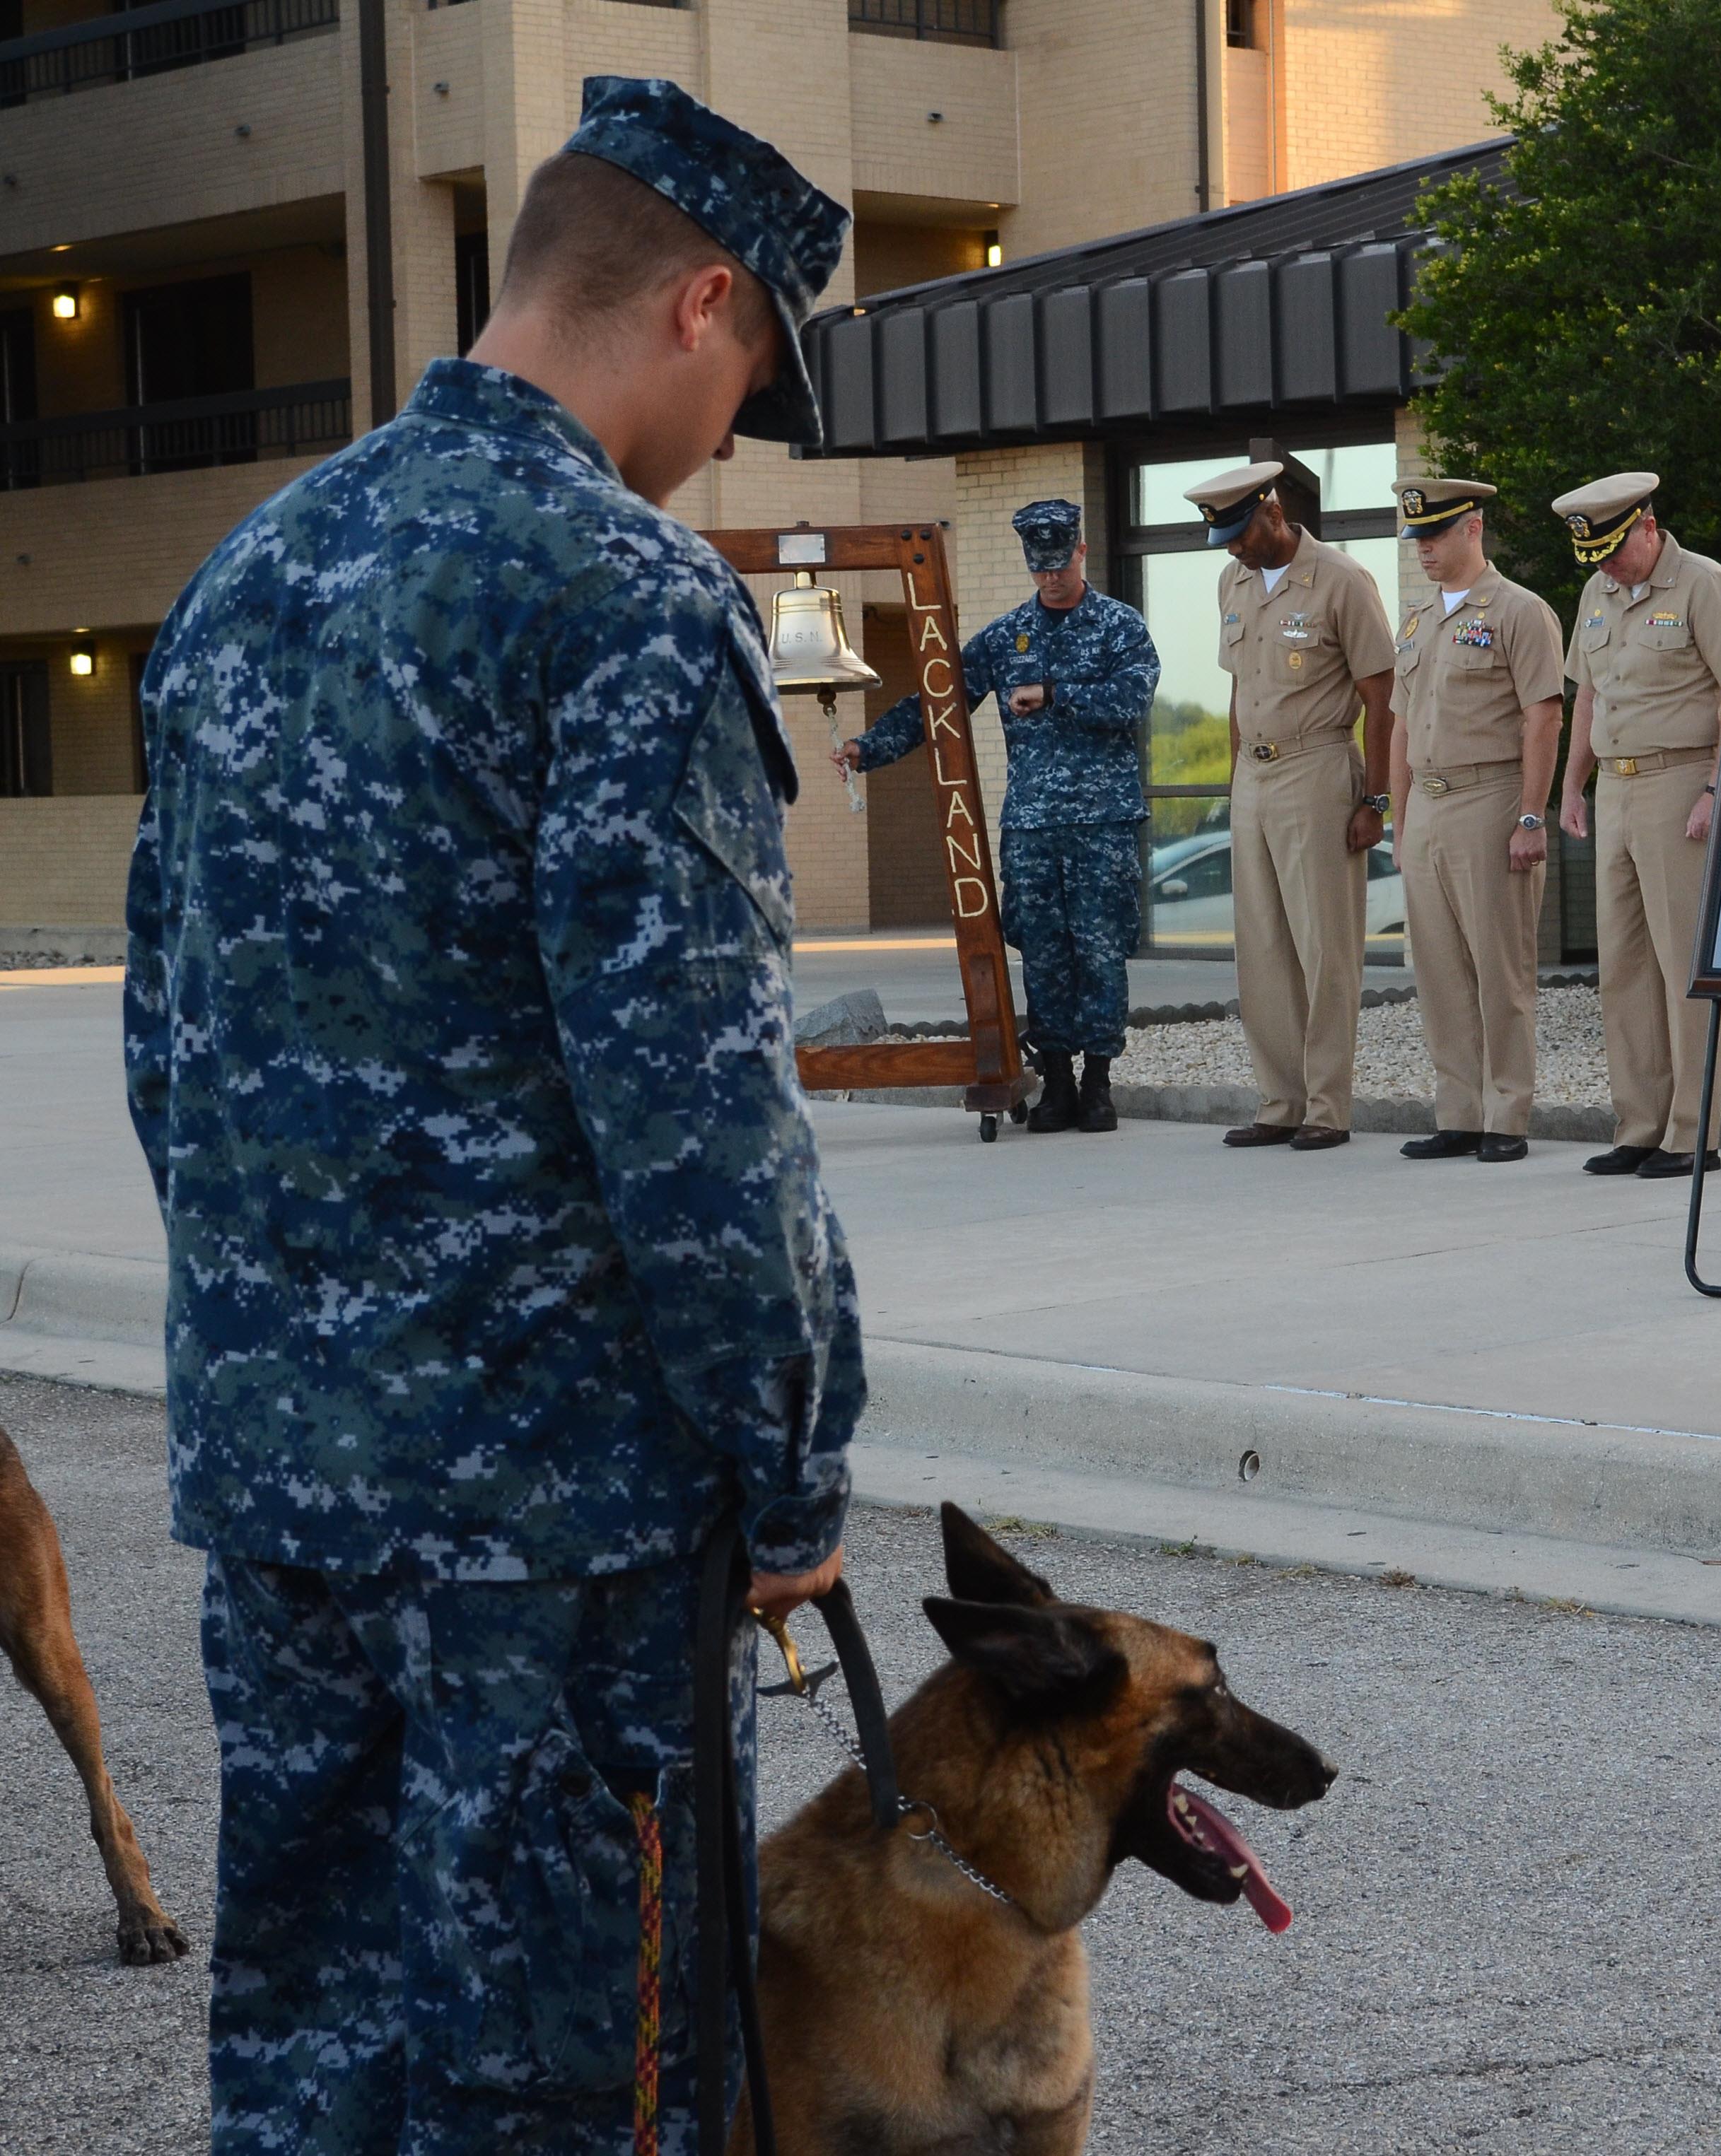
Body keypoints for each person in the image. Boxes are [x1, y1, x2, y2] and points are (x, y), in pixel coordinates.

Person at [124, 77, 862, 2152]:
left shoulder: (246, 575)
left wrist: (302, 1348)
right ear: (701, 302)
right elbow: (702, 1124)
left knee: (310, 2064)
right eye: (750, 382)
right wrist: (792, 1466)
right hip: (560, 1536)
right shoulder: (625, 599)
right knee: (576, 2085)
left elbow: (169, 1053)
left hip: (285, 1492)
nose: (728, 437)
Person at [838, 499, 1159, 1135]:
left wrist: (1055, 694)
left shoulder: (1119, 626)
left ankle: (1099, 1083)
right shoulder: (1008, 636)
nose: (1051, 578)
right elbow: (940, 696)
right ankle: (1057, 1082)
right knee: (1042, 955)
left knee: (1100, 953)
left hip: (1102, 824)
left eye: (1060, 564)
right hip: (1033, 828)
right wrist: (867, 748)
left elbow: (1133, 698)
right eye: (1040, 568)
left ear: (1081, 552)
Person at [1182, 459, 1397, 1152]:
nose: (1236, 551)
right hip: (1254, 776)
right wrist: (1234, 782)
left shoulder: (1341, 579)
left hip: (1317, 767)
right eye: (1225, 541)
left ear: (1273, 513)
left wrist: (1376, 800)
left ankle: (1328, 1106)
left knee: (1324, 948)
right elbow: (1238, 690)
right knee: (1263, 947)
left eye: (1242, 535)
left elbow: (1382, 699)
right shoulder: (1233, 582)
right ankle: (1280, 1101)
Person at [1553, 471, 1721, 1178]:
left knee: (1682, 965)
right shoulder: (1596, 593)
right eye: (1594, 556)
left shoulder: (1703, 585)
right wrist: (1572, 785)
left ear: (1648, 528)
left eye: (1614, 550)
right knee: (1625, 967)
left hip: (1679, 783)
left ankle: (1692, 1132)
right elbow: (1587, 695)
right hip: (1616, 788)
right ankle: (1639, 1123)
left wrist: (1717, 786)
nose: (1606, 567)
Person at [1385, 478, 1568, 1164]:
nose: (1423, 549)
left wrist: (1531, 816)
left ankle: (1506, 1115)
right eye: (1416, 538)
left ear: (1473, 528)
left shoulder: (1519, 610)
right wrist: (1401, 822)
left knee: (1501, 971)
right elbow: (1401, 724)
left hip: (1490, 798)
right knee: (1439, 973)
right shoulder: (1416, 619)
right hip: (1428, 807)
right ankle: (1458, 1113)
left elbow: (1543, 717)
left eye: (1435, 534)